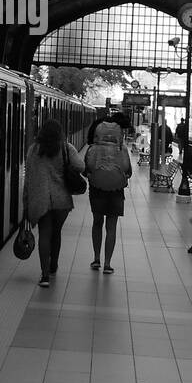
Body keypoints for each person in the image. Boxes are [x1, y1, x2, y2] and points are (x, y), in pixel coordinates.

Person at [22, 119, 85, 288]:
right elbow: (81, 166)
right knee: (56, 233)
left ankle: (44, 276)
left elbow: (28, 178)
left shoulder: (33, 150)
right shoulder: (66, 148)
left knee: (44, 234)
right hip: (61, 200)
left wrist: (25, 201)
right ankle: (53, 266)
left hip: (40, 199)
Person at [84, 120, 132, 274]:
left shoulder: (93, 149)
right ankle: (107, 264)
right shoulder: (122, 149)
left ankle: (96, 259)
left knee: (97, 223)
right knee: (111, 228)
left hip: (97, 190)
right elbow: (128, 170)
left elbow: (87, 168)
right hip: (116, 191)